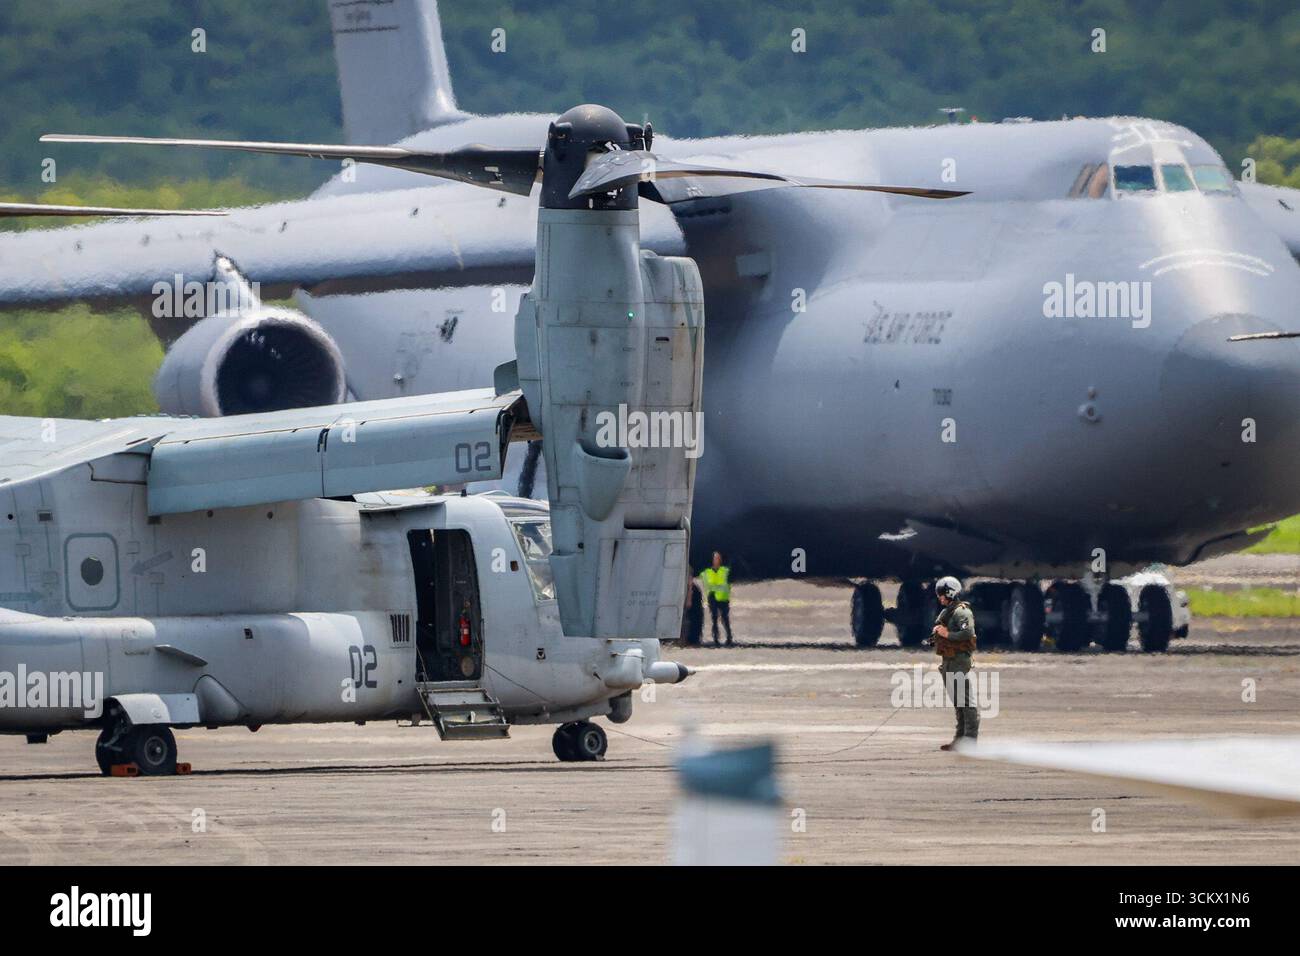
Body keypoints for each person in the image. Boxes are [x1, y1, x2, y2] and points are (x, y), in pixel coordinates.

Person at [929, 576, 979, 750]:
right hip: (949, 661)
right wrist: (936, 635)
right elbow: (939, 631)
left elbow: (967, 634)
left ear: (950, 593)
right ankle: (960, 739)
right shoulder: (947, 612)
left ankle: (970, 740)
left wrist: (946, 635)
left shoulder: (962, 612)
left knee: (966, 701)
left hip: (959, 661)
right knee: (958, 701)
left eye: (941, 594)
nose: (939, 597)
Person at [698, 551, 733, 646]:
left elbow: (729, 582)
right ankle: (716, 639)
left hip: (723, 598)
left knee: (725, 619)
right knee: (714, 619)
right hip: (712, 597)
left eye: (718, 558)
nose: (717, 560)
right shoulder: (707, 572)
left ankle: (729, 638)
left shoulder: (725, 571)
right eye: (715, 558)